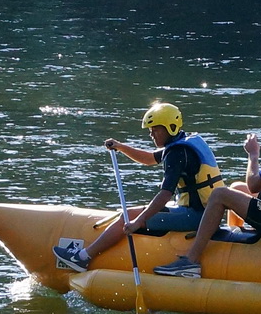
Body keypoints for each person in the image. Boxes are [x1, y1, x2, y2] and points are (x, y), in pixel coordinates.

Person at [153, 96, 261, 279]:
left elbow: (253, 185)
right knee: (238, 187)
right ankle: (236, 238)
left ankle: (191, 261)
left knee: (220, 194)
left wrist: (253, 155)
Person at [53, 102, 224, 272]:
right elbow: (149, 158)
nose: (151, 134)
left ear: (170, 127)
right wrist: (121, 147)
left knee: (128, 215)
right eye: (150, 130)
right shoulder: (186, 143)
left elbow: (165, 194)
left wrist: (138, 221)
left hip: (197, 217)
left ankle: (82, 258)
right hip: (206, 213)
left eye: (155, 129)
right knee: (138, 212)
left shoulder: (177, 154)